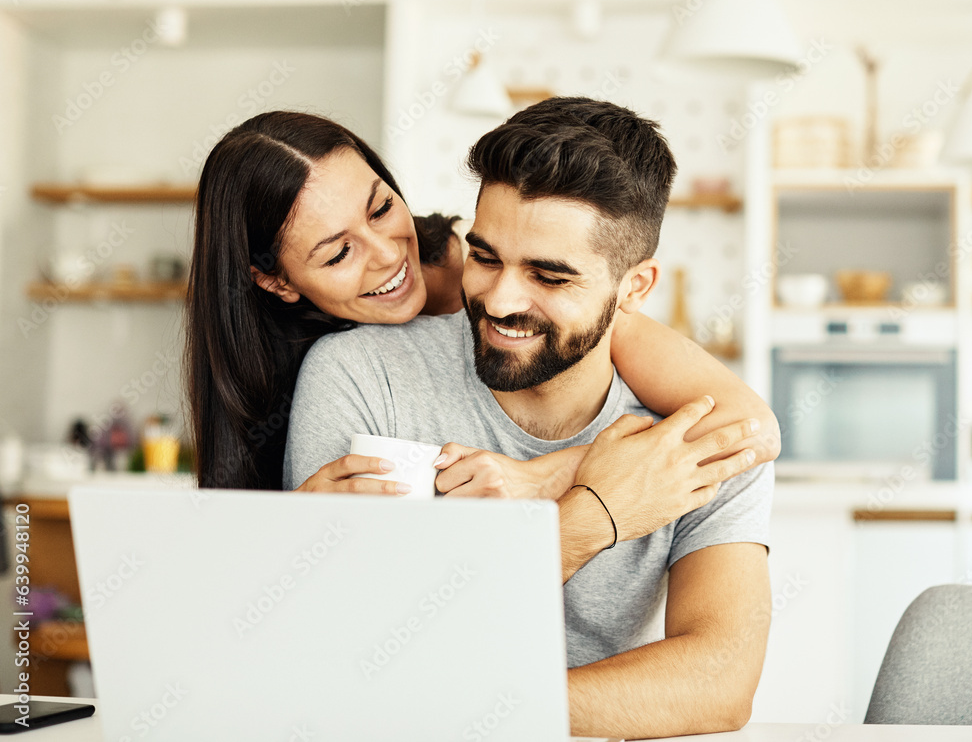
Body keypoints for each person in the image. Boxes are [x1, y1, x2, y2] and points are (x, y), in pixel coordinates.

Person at [284, 97, 773, 738]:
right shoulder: (359, 374)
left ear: (634, 289)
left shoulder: (695, 437)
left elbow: (719, 683)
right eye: (485, 258)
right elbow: (340, 665)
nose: (500, 299)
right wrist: (592, 516)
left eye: (549, 275)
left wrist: (448, 702)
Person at [186, 111, 779, 494]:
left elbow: (750, 427)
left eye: (380, 208)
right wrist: (294, 527)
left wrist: (550, 473)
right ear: (277, 282)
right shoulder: (326, 370)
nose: (391, 255)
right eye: (338, 254)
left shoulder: (471, 267)